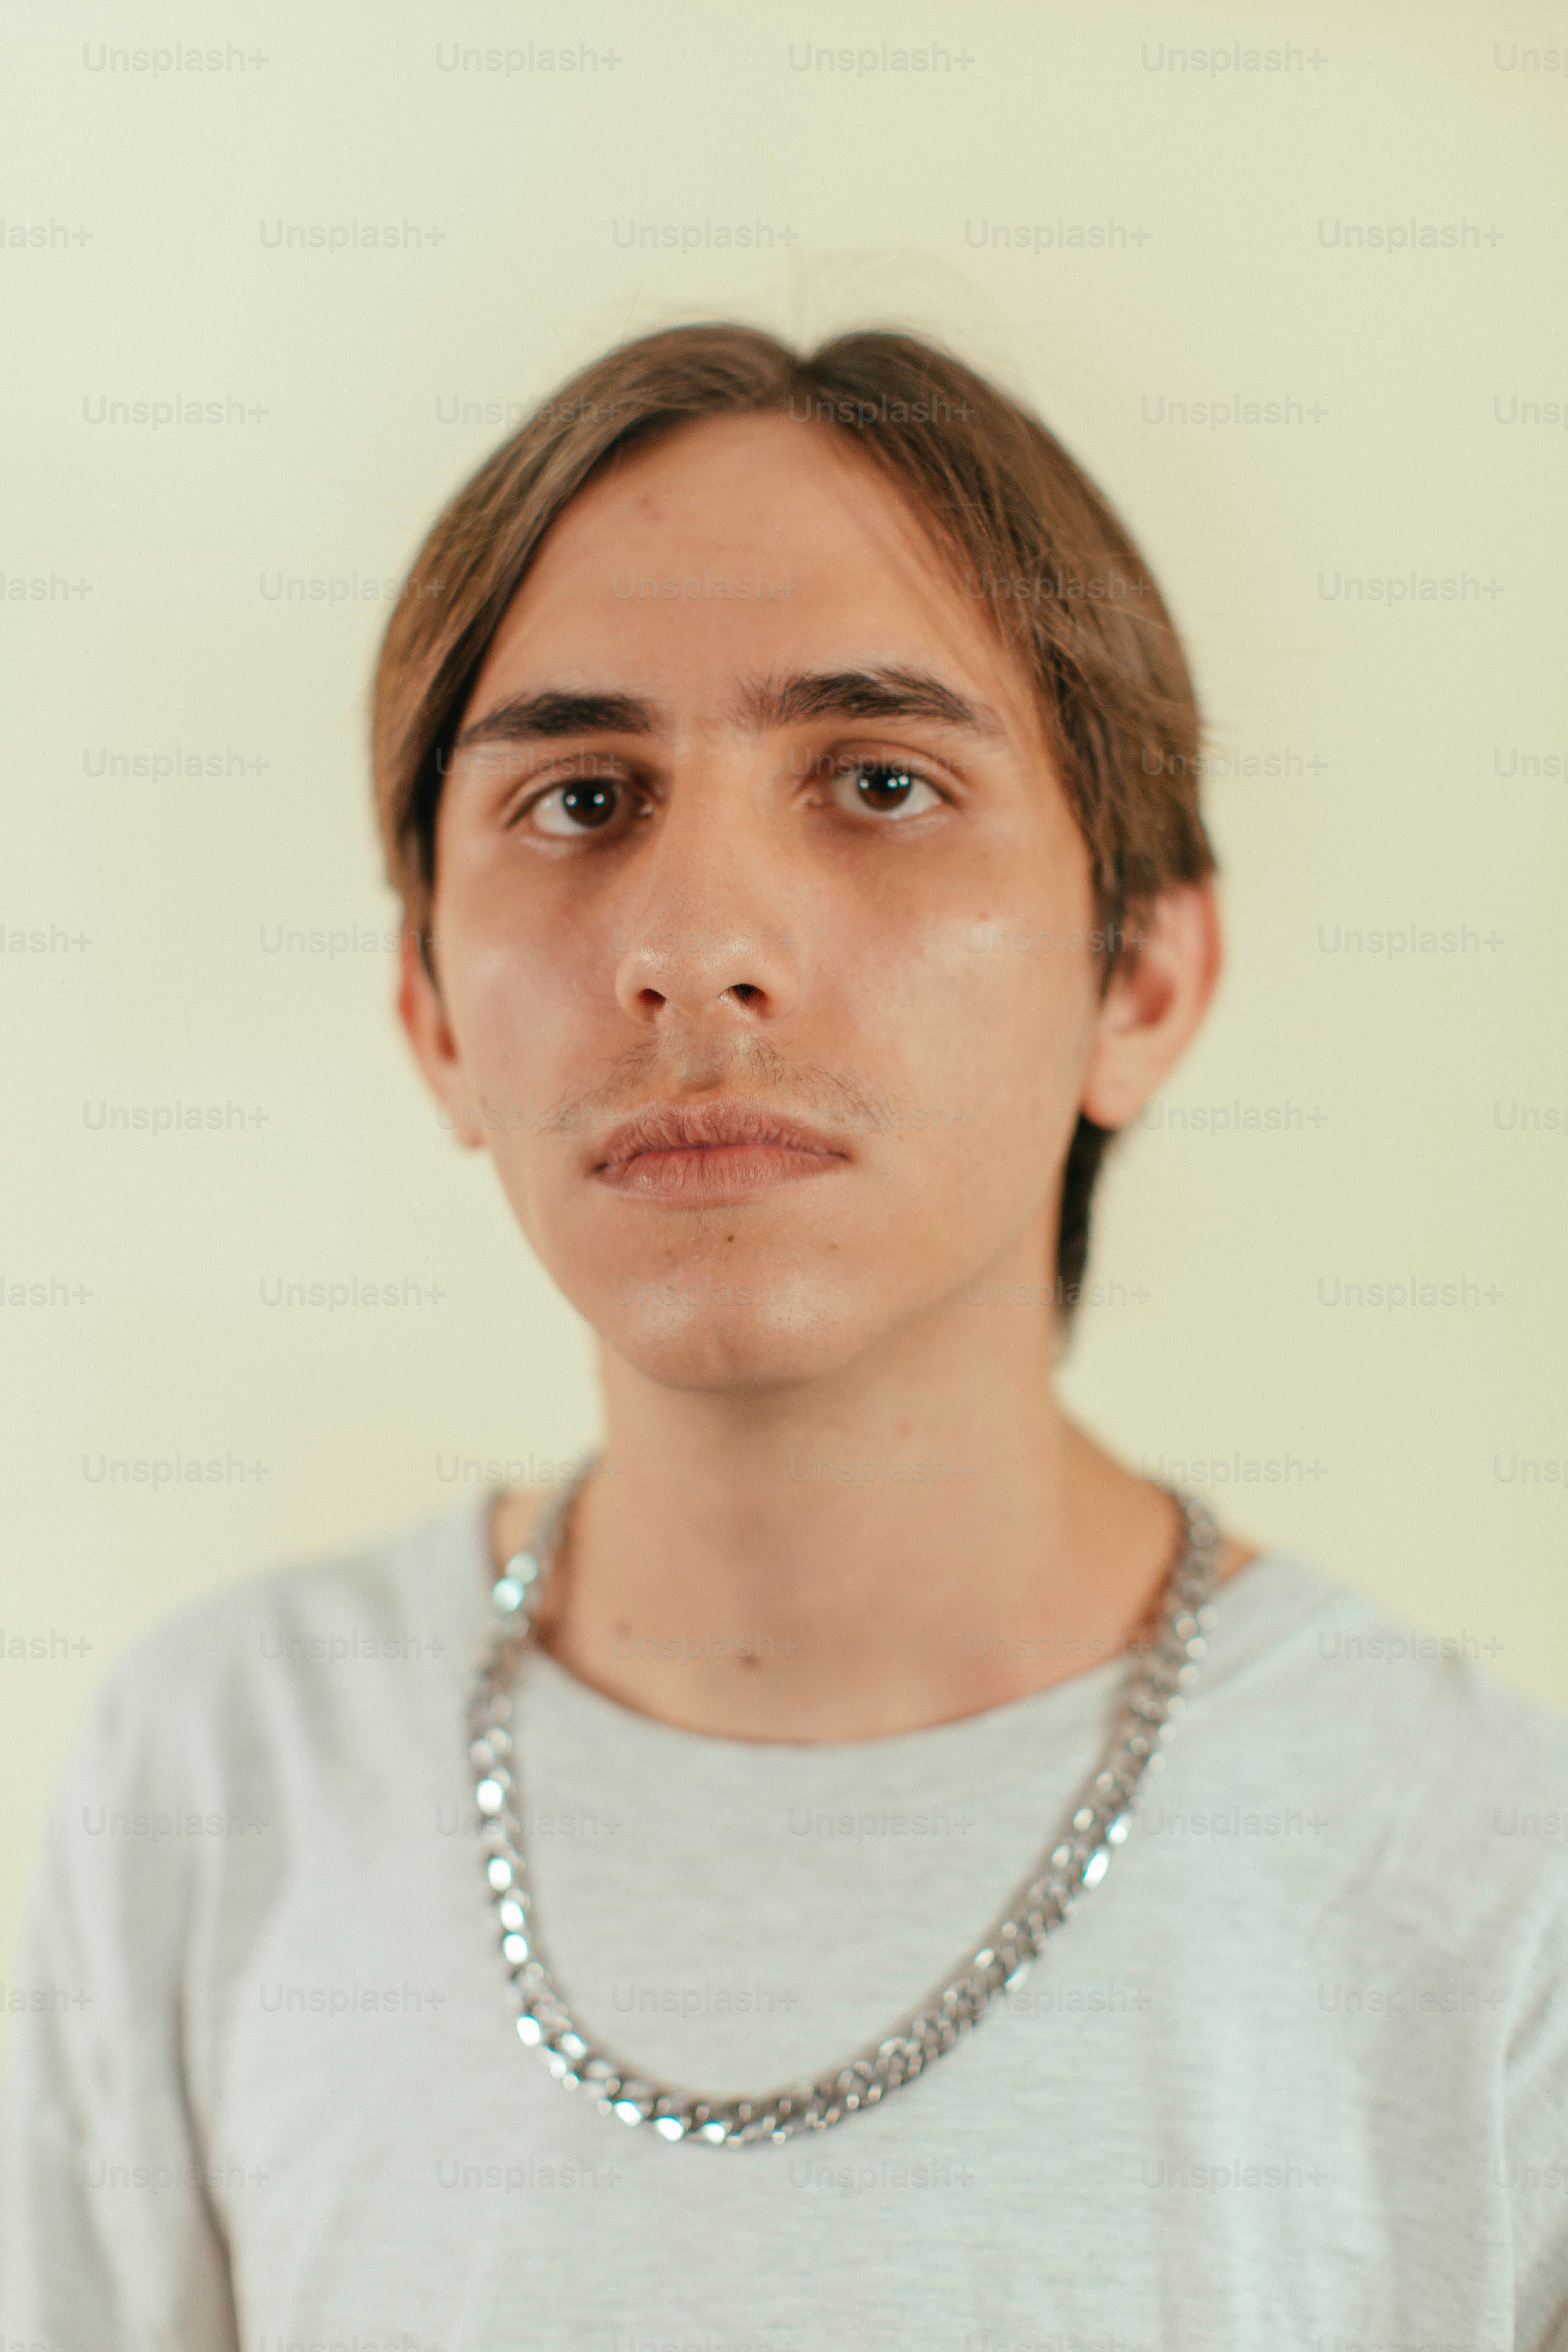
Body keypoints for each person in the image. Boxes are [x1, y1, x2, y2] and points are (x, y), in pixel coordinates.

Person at [3, 323, 1564, 2349]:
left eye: (881, 782)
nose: (694, 950)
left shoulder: (1486, 1882)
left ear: (1142, 980)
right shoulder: (220, 1780)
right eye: (581, 797)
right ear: (435, 1016)